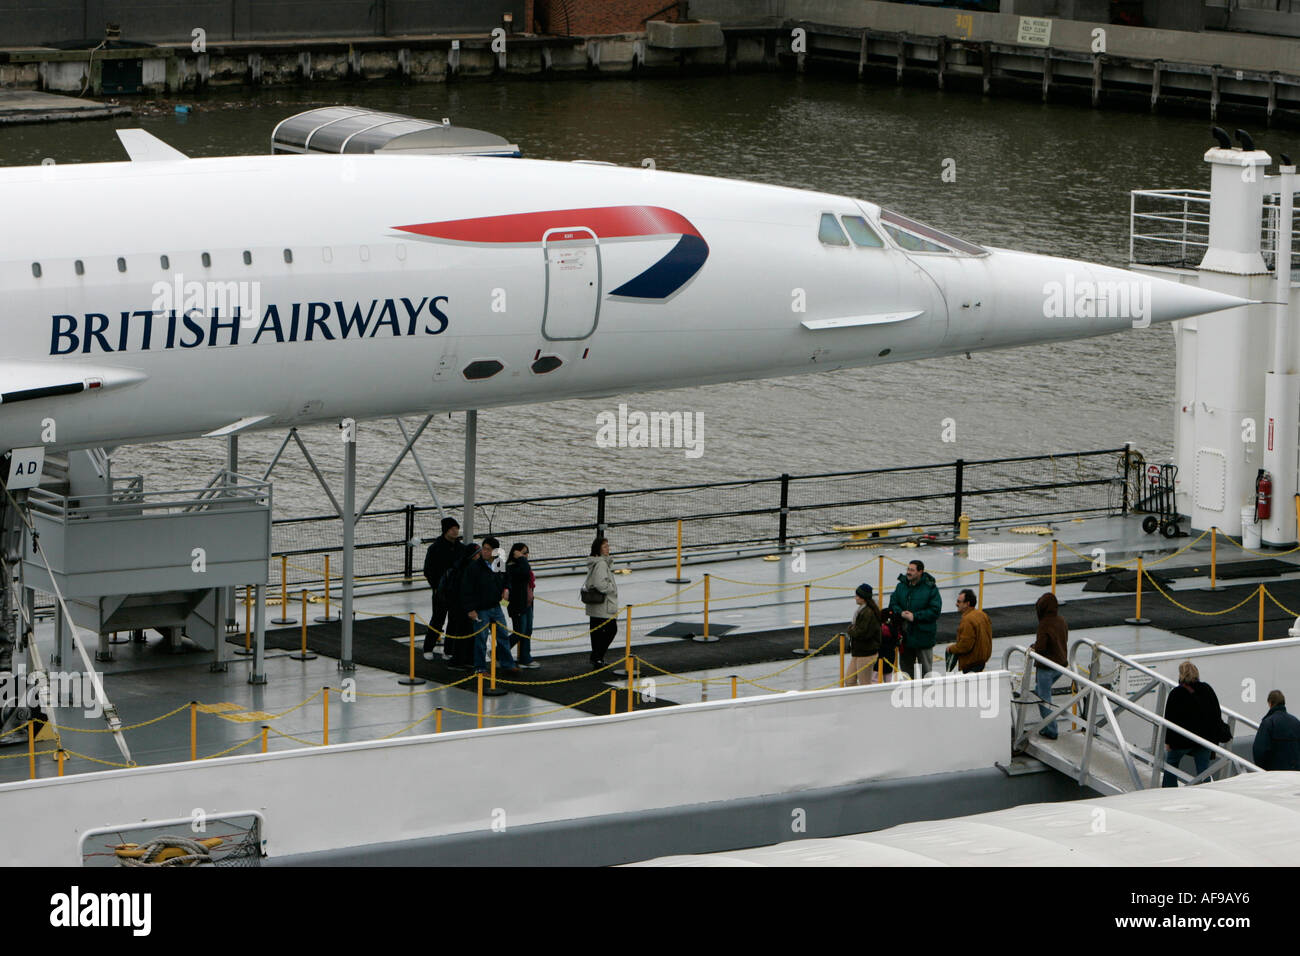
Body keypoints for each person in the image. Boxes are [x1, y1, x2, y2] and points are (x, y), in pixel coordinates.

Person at [1162, 661, 1227, 787]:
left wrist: (1168, 742)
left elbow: (1170, 718)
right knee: (1203, 770)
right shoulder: (1207, 689)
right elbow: (1216, 712)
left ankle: (1169, 790)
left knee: (1171, 763)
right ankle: (1206, 791)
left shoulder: (1176, 693)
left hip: (1182, 740)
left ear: (1181, 674)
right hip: (1204, 739)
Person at [460, 536, 517, 677]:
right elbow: (466, 589)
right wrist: (470, 609)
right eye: (483, 549)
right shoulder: (474, 568)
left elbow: (506, 579)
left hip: (495, 606)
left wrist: (506, 589)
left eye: (488, 549)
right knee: (481, 638)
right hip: (480, 608)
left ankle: (508, 664)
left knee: (503, 635)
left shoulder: (499, 564)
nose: (484, 552)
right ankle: (480, 667)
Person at [887, 559, 942, 677]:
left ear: (920, 572)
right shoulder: (901, 586)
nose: (908, 572)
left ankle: (927, 692)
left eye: (912, 570)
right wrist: (900, 613)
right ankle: (908, 692)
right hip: (905, 638)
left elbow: (935, 610)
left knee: (927, 671)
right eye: (908, 569)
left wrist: (915, 617)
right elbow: (892, 604)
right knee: (906, 671)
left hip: (923, 637)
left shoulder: (930, 588)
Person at [421, 517, 463, 659]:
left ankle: (449, 650)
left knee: (454, 620)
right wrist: (436, 586)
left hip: (456, 590)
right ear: (446, 530)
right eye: (452, 529)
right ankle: (428, 648)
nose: (456, 531)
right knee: (438, 619)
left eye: (457, 528)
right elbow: (428, 570)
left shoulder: (460, 548)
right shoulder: (435, 548)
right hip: (440, 590)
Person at [1031, 592, 1068, 739]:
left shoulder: (1044, 624)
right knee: (1039, 691)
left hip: (1046, 668)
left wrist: (1032, 647)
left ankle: (1051, 730)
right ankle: (1047, 726)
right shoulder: (1061, 620)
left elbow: (1040, 647)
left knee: (1044, 699)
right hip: (1060, 666)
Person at [583, 537, 619, 668]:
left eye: (608, 546)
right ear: (598, 549)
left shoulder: (596, 563)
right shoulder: (602, 564)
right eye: (604, 547)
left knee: (597, 632)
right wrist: (611, 588)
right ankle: (597, 656)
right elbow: (600, 584)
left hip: (595, 606)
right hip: (604, 605)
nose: (608, 549)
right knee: (611, 630)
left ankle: (597, 658)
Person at [441, 542, 478, 670]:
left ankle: (465, 659)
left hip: (458, 606)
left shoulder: (460, 567)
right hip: (464, 607)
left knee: (464, 634)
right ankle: (459, 660)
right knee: (464, 634)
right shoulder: (469, 569)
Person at [506, 542, 539, 669]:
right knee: (520, 631)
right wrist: (521, 559)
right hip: (518, 604)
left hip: (527, 603)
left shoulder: (521, 565)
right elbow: (524, 572)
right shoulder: (512, 567)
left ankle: (525, 657)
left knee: (527, 630)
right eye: (523, 553)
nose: (526, 556)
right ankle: (500, 651)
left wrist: (521, 559)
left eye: (527, 553)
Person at [947, 588, 992, 674]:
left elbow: (965, 645)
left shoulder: (967, 620)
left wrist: (951, 649)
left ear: (967, 604)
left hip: (971, 664)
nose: (956, 604)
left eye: (959, 602)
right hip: (981, 662)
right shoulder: (982, 615)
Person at [1253, 689, 1300, 771]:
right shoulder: (1296, 722)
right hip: (1295, 775)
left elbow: (1259, 751)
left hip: (1275, 775)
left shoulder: (1268, 723)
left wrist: (1264, 770)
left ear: (1270, 703)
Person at [844, 583, 881, 686]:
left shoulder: (868, 613)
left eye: (857, 596)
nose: (855, 598)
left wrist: (850, 630)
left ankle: (867, 701)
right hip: (858, 652)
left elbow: (862, 633)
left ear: (863, 598)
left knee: (865, 684)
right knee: (849, 680)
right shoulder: (862, 611)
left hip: (866, 653)